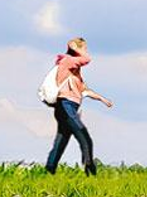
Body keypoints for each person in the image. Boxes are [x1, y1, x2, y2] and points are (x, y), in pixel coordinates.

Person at [45, 37, 113, 176]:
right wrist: (75, 48)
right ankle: (90, 171)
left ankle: (49, 171)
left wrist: (102, 99)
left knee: (61, 142)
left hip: (69, 107)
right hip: (65, 105)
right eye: (84, 49)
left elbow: (84, 90)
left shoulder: (74, 70)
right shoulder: (68, 60)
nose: (86, 52)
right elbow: (87, 59)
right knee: (84, 136)